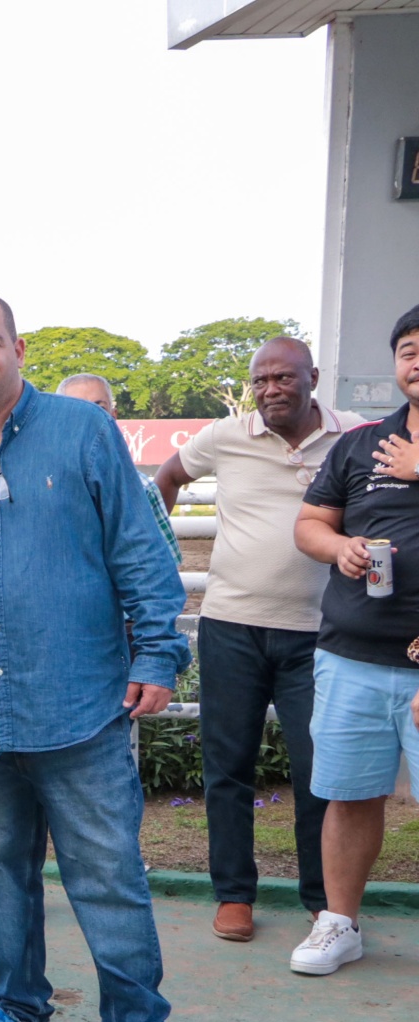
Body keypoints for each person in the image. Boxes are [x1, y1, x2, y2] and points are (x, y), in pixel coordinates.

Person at [0, 291, 198, 1022]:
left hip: (84, 704)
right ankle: (15, 1005)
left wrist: (156, 655)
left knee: (107, 871)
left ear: (18, 349)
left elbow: (140, 549)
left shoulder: (84, 431)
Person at [153, 339, 359, 944]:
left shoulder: (349, 436)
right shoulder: (225, 435)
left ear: (312, 378)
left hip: (319, 633)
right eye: (261, 379)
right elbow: (166, 477)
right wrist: (157, 555)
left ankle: (324, 904)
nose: (271, 389)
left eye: (284, 377)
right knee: (227, 766)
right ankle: (234, 895)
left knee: (319, 770)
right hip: (231, 626)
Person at [289, 303, 419, 976]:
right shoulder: (361, 443)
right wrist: (337, 547)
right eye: (407, 349)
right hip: (352, 656)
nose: (416, 359)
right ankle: (339, 922)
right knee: (348, 792)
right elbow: (310, 522)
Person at [56, 374, 181, 564]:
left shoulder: (142, 489)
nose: (90, 417)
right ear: (60, 418)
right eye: (78, 407)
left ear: (113, 416)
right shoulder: (34, 485)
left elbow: (160, 570)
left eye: (100, 408)